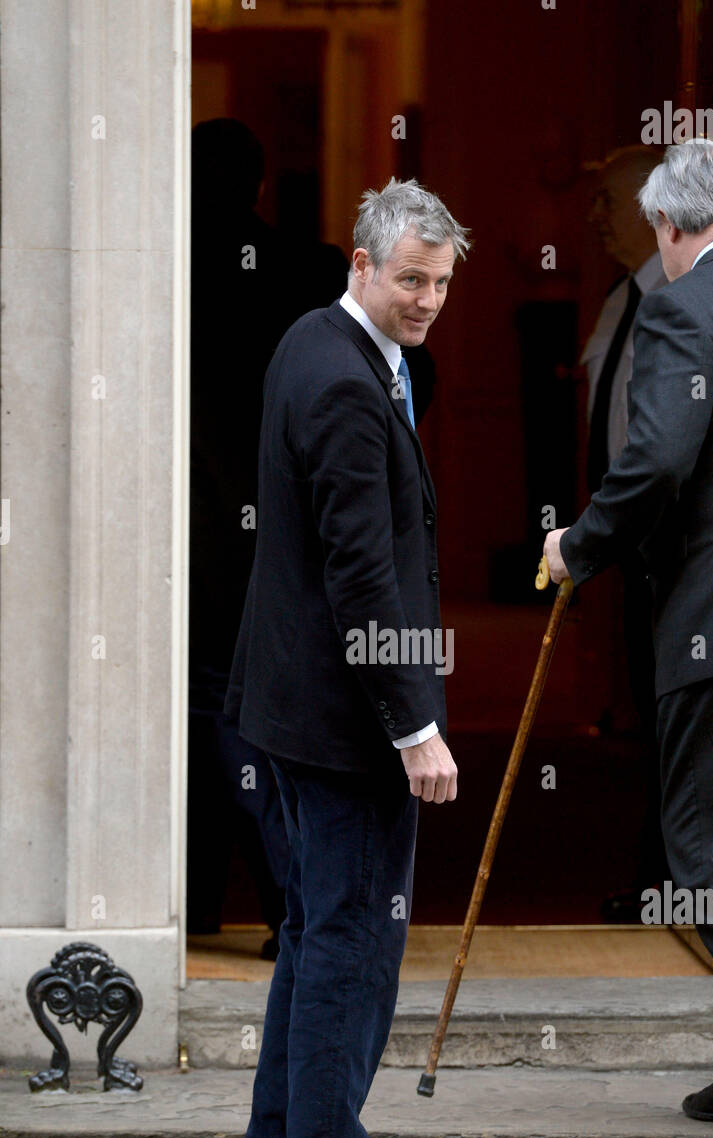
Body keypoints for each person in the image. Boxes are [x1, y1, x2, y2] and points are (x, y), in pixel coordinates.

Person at [224, 177, 470, 1138]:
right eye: (409, 278)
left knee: (317, 933)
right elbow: (362, 571)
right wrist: (415, 727)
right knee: (352, 946)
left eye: (441, 283)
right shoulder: (342, 376)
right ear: (361, 265)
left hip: (294, 706)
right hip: (344, 720)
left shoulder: (316, 344)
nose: (425, 301)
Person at [544, 138, 713, 1138]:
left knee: (708, 845)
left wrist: (580, 545)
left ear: (668, 226)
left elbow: (654, 460)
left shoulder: (684, 303)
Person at [189, 118, 349, 954]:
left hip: (189, 534)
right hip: (285, 531)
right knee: (248, 717)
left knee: (213, 714)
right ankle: (290, 909)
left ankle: (265, 907)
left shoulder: (158, 267)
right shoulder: (306, 271)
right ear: (258, 182)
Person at [583, 146, 670, 922]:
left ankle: (668, 883)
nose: (595, 220)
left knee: (673, 712)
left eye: (609, 204)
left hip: (669, 548)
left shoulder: (684, 304)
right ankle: (654, 878)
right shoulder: (621, 298)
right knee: (643, 706)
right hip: (626, 543)